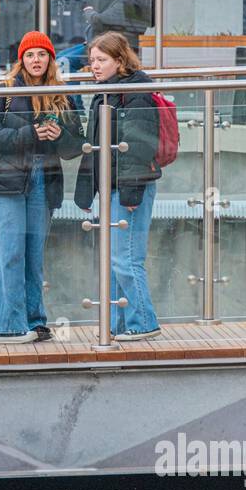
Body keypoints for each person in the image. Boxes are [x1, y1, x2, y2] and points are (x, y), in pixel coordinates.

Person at [0, 30, 84, 343]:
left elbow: (75, 145)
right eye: (30, 55)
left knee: (33, 256)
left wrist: (59, 136)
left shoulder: (63, 93)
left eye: (41, 54)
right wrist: (31, 135)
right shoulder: (7, 89)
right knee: (8, 253)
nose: (36, 60)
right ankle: (6, 326)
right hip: (8, 180)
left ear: (51, 58)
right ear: (21, 60)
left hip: (45, 179)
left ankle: (34, 321)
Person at [74, 31, 161, 341]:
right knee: (114, 259)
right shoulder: (104, 92)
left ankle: (144, 322)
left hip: (130, 186)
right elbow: (94, 145)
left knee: (126, 258)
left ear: (120, 60)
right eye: (92, 60)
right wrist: (86, 189)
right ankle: (118, 323)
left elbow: (139, 145)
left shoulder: (135, 92)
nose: (94, 66)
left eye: (102, 60)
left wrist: (132, 190)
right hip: (112, 184)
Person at [83, 0, 150, 52]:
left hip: (110, 47)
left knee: (67, 57)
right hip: (110, 44)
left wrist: (88, 11)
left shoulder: (128, 1)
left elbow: (98, 21)